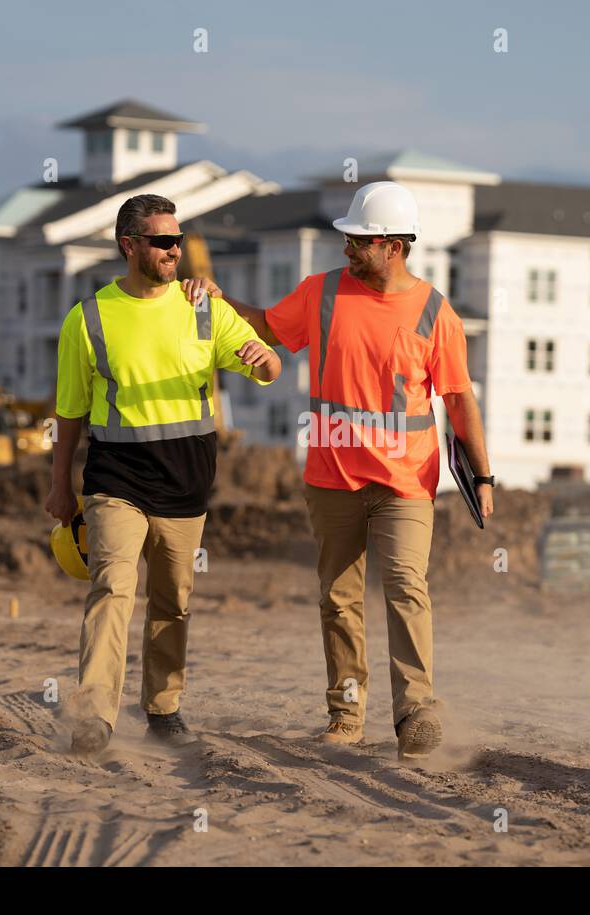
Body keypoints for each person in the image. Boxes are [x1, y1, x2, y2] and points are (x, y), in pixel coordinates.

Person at [183, 181, 494, 760]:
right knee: (339, 599)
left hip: (406, 481)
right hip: (332, 477)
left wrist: (483, 474)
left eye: (360, 241)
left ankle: (416, 711)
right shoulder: (321, 294)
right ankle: (346, 716)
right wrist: (216, 303)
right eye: (348, 239)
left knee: (405, 586)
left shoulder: (434, 311)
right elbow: (268, 328)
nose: (348, 249)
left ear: (394, 246)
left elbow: (458, 396)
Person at [45, 193, 280, 755]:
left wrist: (262, 358)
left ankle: (163, 708)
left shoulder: (203, 308)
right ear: (130, 245)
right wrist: (60, 486)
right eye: (163, 241)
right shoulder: (89, 318)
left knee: (173, 599)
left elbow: (267, 361)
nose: (176, 251)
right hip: (114, 480)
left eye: (178, 240)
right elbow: (70, 412)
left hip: (185, 482)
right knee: (112, 587)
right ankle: (95, 714)